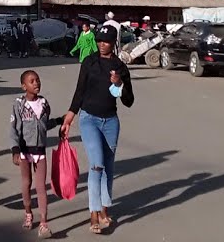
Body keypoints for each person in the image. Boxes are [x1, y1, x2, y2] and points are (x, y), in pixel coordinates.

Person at [61, 25, 134, 234]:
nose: (102, 44)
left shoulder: (120, 67)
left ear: (113, 43)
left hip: (110, 122)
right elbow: (80, 90)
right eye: (100, 41)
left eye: (107, 41)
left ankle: (104, 209)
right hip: (89, 119)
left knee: (108, 168)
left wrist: (120, 83)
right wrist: (70, 114)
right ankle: (93, 212)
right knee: (97, 165)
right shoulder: (89, 62)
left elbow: (129, 101)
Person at [10, 70, 53, 239]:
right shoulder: (19, 104)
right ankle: (28, 213)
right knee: (26, 183)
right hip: (24, 150)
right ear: (24, 86)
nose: (36, 83)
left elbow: (43, 126)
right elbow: (14, 129)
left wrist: (58, 121)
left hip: (40, 150)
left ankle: (43, 222)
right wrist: (15, 149)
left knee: (41, 186)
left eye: (38, 80)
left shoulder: (44, 104)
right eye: (32, 81)